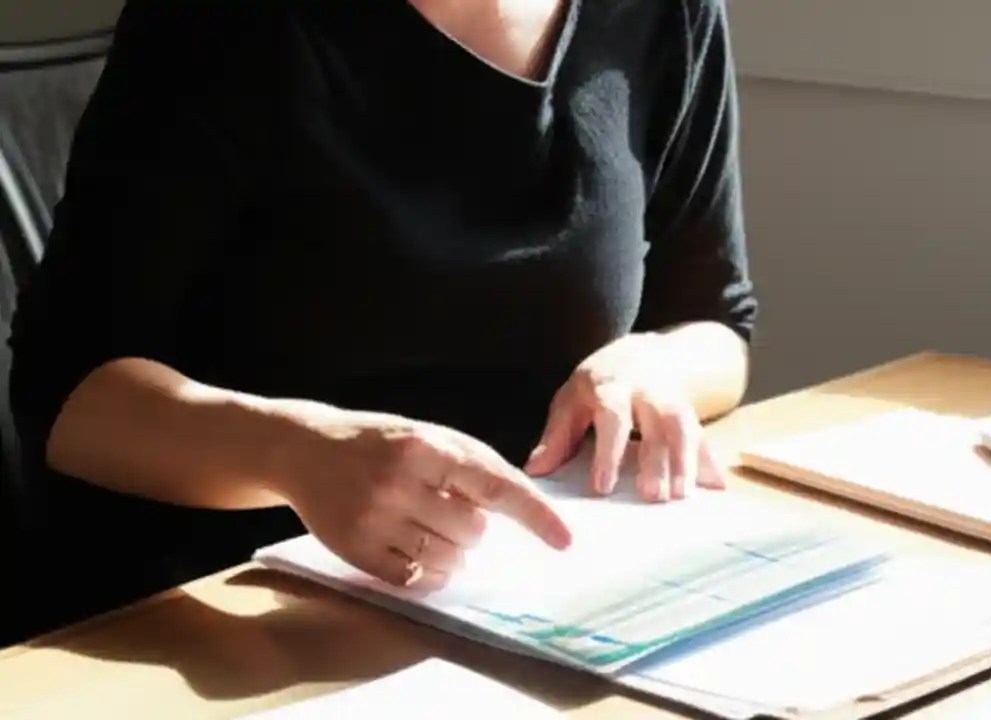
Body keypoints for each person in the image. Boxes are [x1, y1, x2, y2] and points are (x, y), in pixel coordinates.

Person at [6, 0, 757, 642]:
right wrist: (296, 452)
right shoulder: (225, 21)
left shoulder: (668, 13)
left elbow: (716, 325)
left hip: (541, 601)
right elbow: (64, 390)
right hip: (242, 608)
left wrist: (652, 364)